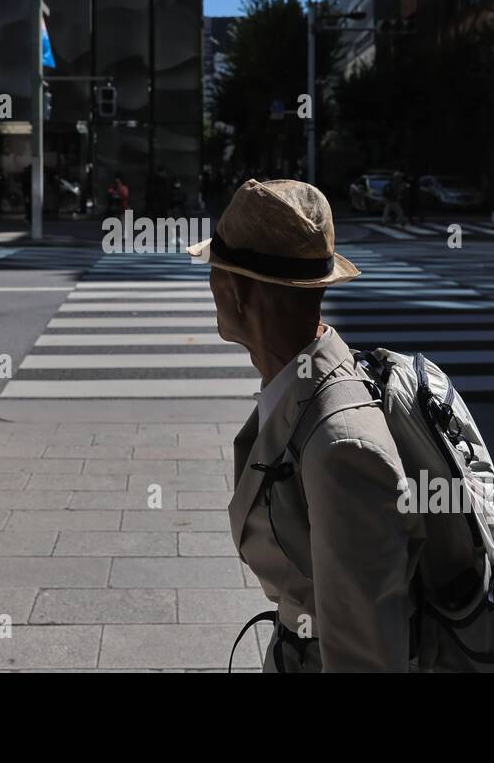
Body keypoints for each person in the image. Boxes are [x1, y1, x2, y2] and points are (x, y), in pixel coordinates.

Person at [187, 179, 426, 672]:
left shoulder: (342, 446)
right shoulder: (301, 382)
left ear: (235, 291)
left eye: (215, 269)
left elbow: (366, 659)